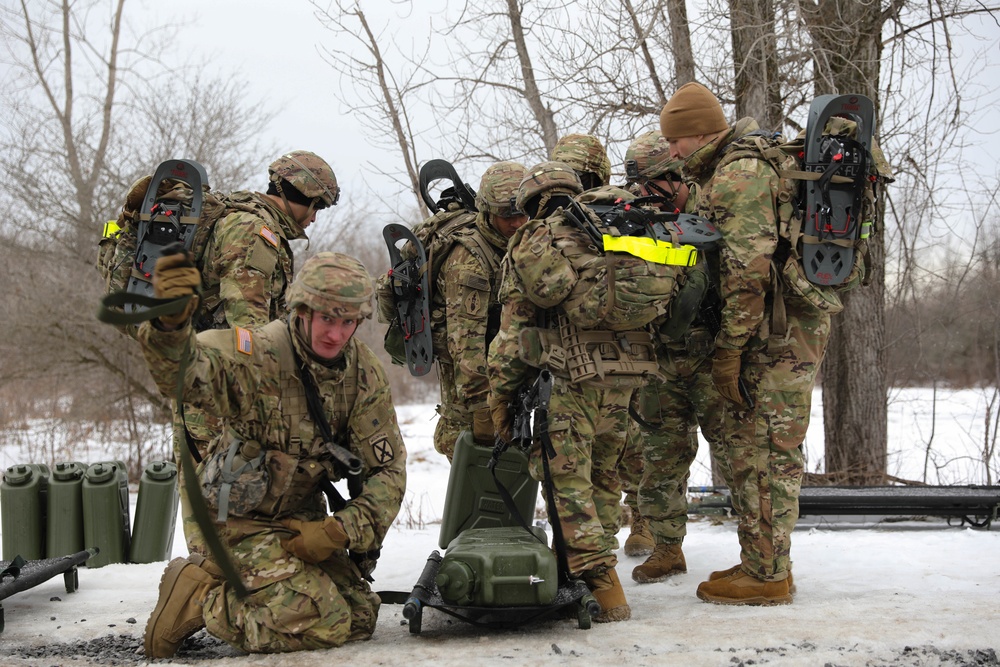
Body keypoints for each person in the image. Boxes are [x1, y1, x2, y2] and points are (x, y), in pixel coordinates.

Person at [138, 251, 407, 656]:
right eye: (327, 319)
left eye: (347, 322)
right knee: (322, 620)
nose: (335, 334)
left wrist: (339, 531)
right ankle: (201, 595)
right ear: (302, 310)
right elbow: (189, 372)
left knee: (359, 615)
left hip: (299, 519)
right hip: (236, 521)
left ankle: (251, 586)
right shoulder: (259, 355)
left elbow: (388, 471)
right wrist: (169, 326)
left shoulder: (362, 374)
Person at [659, 81, 832, 604]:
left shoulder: (738, 173)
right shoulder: (735, 166)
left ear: (700, 132)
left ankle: (768, 575)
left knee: (765, 448)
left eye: (677, 140)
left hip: (772, 335)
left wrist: (730, 350)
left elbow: (746, 273)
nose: (671, 152)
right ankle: (765, 560)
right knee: (763, 446)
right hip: (778, 330)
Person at [488, 161, 670, 623]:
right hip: (627, 372)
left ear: (530, 204)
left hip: (568, 378)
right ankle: (594, 562)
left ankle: (599, 584)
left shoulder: (535, 243)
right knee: (605, 473)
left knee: (566, 481)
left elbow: (514, 334)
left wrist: (500, 398)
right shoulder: (618, 227)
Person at [621, 130, 732, 583]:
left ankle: (760, 554)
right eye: (638, 188)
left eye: (649, 186)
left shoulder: (715, 206)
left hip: (712, 353)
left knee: (737, 452)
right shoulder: (637, 218)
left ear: (674, 176)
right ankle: (667, 549)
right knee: (660, 458)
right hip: (662, 358)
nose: (642, 196)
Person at [550, 133, 656, 559]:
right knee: (609, 455)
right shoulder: (620, 215)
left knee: (620, 451)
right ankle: (605, 547)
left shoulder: (620, 213)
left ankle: (624, 535)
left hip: (614, 355)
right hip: (620, 355)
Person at [424, 161, 527, 459]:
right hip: (471, 383)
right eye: (507, 215)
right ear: (486, 210)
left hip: (504, 372)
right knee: (469, 455)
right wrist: (482, 407)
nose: (518, 222)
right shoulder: (470, 260)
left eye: (523, 212)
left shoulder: (514, 244)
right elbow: (465, 344)